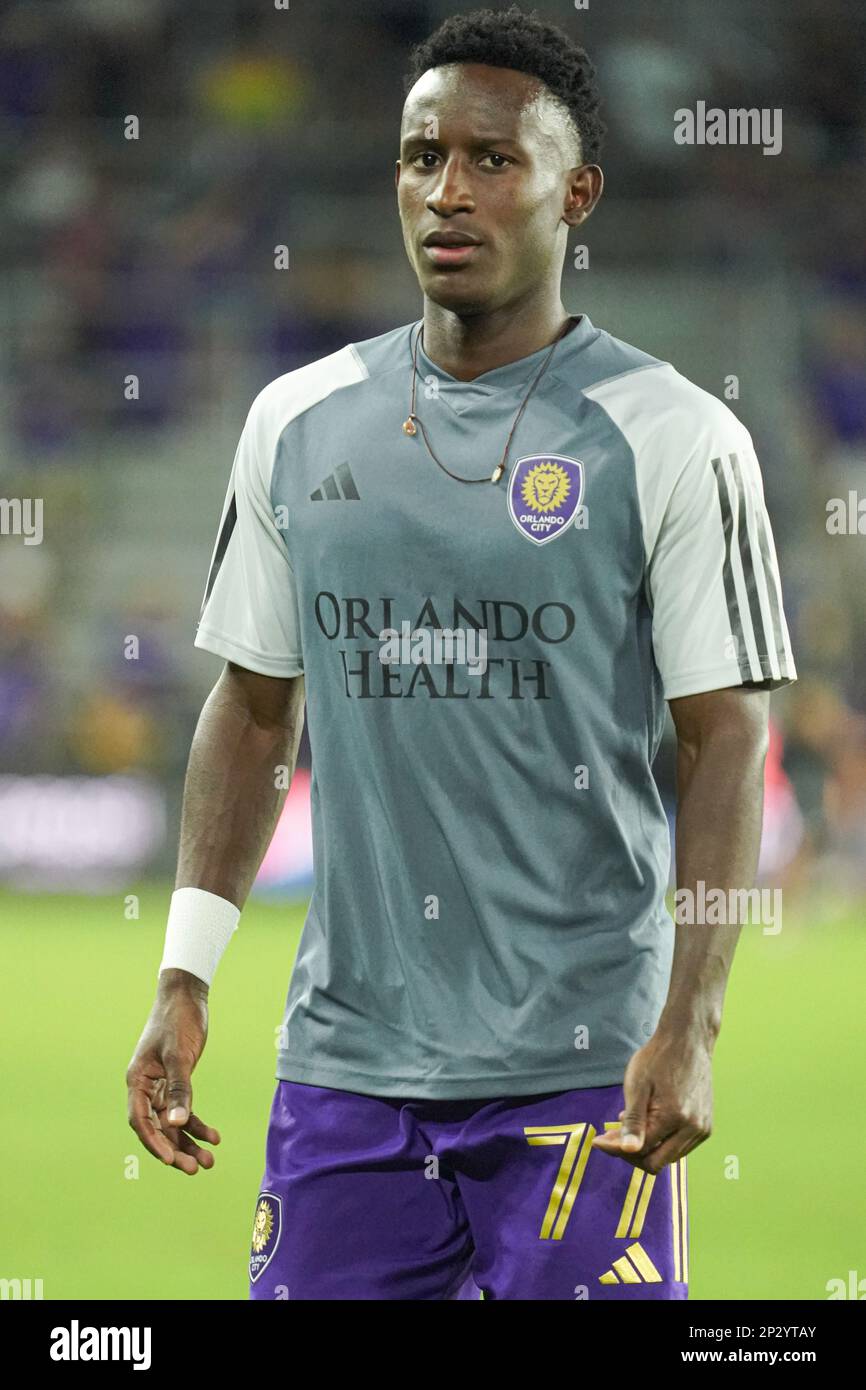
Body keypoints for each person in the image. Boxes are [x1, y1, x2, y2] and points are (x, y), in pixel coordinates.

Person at [127, 5, 796, 1300]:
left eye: (494, 159)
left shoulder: (671, 435)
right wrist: (184, 972)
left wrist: (690, 1020)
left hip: (580, 1064)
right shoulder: (299, 421)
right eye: (420, 154)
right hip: (344, 1071)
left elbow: (724, 734)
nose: (448, 188)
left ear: (576, 192)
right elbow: (256, 706)